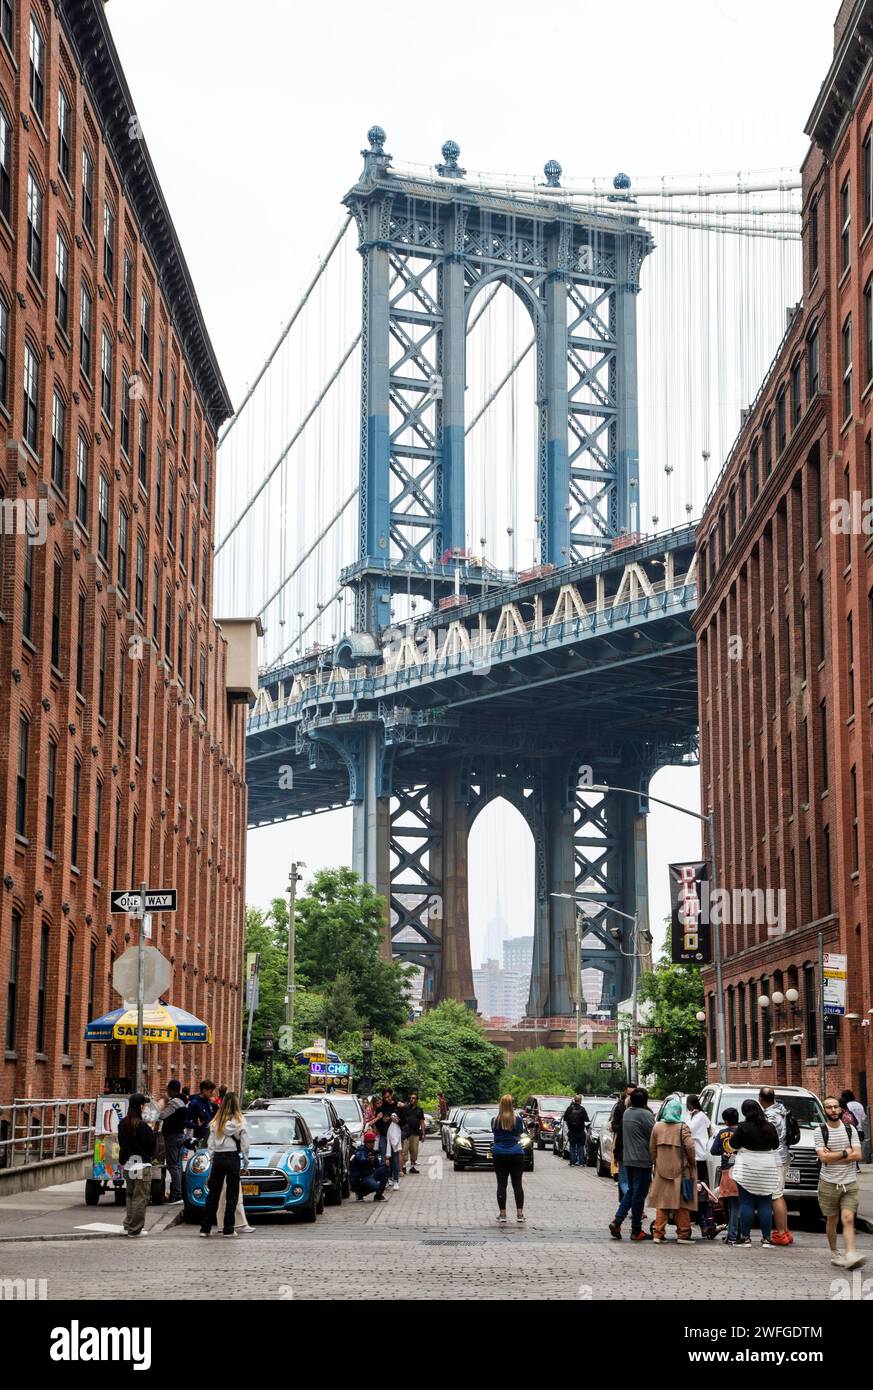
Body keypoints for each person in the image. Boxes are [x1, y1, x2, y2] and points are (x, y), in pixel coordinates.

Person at [817, 1095, 867, 1270]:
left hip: (849, 1182)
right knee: (832, 1219)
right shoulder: (820, 1131)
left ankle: (851, 1253)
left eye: (835, 1107)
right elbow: (823, 1157)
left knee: (848, 1218)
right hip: (828, 1182)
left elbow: (858, 1155)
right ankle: (834, 1252)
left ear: (840, 1109)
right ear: (825, 1111)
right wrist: (845, 1154)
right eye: (829, 1107)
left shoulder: (850, 1129)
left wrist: (833, 1155)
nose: (833, 1110)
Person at [730, 1099, 779, 1248]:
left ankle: (745, 1238)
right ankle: (766, 1239)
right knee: (765, 1203)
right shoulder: (769, 1127)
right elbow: (776, 1145)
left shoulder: (743, 1127)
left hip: (747, 1167)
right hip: (767, 1168)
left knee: (746, 1202)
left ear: (745, 1112)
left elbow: (733, 1144)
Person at [199, 1091, 249, 1237]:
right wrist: (245, 1164)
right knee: (232, 1195)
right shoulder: (240, 1122)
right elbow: (245, 1146)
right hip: (233, 1158)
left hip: (219, 1159)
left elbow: (210, 1146)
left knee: (213, 1194)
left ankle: (205, 1228)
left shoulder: (216, 1122)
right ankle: (228, 1228)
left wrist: (213, 1160)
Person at [648, 1097, 698, 1243]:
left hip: (661, 1171)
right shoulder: (683, 1128)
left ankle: (658, 1234)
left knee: (662, 1203)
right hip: (681, 1171)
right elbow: (690, 1147)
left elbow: (651, 1149)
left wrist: (656, 1163)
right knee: (682, 1203)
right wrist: (692, 1162)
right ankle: (683, 1234)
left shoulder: (657, 1127)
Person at [608, 1088, 654, 1241]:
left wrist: (616, 1153)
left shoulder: (627, 1113)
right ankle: (636, 1230)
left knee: (631, 1192)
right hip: (642, 1160)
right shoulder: (646, 1115)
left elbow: (620, 1134)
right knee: (639, 1195)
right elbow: (654, 1135)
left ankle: (617, 1220)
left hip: (628, 1159)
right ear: (645, 1101)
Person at [117, 1093, 156, 1237]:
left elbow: (122, 1144)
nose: (145, 1107)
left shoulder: (123, 1123)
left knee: (130, 1196)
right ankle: (135, 1228)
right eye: (144, 1105)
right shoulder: (142, 1126)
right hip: (141, 1166)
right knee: (141, 1197)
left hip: (128, 1165)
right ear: (140, 1106)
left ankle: (128, 1225)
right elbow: (151, 1146)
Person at [758, 1086, 792, 1246]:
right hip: (783, 1155)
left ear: (760, 1099)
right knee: (779, 1194)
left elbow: (766, 1136)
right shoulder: (781, 1111)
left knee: (775, 1195)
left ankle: (780, 1233)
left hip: (775, 1158)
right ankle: (784, 1230)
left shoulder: (770, 1115)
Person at [491, 1095, 526, 1225]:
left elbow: (495, 1134)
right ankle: (520, 1213)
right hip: (516, 1153)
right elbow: (520, 1133)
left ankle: (503, 1213)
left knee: (501, 1184)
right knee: (517, 1184)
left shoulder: (495, 1120)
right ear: (512, 1105)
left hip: (499, 1153)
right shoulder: (517, 1120)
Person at [710, 1106, 740, 1244]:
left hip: (726, 1172)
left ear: (726, 1121)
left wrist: (724, 1152)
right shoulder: (741, 1132)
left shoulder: (722, 1133)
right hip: (740, 1171)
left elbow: (713, 1150)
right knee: (738, 1205)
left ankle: (732, 1234)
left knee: (731, 1205)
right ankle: (736, 1233)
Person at [158, 1079, 188, 1204]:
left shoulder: (174, 1102)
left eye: (167, 1090)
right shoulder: (182, 1101)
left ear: (171, 1089)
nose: (167, 1092)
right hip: (179, 1135)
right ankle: (178, 1192)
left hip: (173, 1137)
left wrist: (162, 1103)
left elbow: (163, 1115)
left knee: (173, 1166)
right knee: (177, 1165)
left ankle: (176, 1194)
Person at [349, 1129, 389, 1201]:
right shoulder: (361, 1150)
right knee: (376, 1186)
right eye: (369, 1142)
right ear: (365, 1143)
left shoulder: (373, 1152)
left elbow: (377, 1165)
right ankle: (359, 1193)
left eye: (372, 1142)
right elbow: (361, 1160)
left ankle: (378, 1196)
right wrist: (368, 1159)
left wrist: (384, 1164)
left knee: (385, 1169)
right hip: (361, 1178)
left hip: (369, 1175)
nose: (371, 1144)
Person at [402, 1091, 426, 1174]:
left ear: (417, 1100)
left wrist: (423, 1134)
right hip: (406, 1133)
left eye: (413, 1098)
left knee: (414, 1151)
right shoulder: (406, 1108)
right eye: (410, 1098)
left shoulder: (420, 1110)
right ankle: (403, 1167)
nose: (411, 1099)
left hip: (415, 1133)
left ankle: (412, 1167)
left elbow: (422, 1122)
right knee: (404, 1150)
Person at [563, 1095, 590, 1167]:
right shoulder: (582, 1109)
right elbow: (587, 1120)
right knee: (580, 1147)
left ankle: (572, 1162)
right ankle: (581, 1162)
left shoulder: (569, 1108)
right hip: (580, 1131)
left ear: (574, 1100)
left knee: (572, 1147)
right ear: (580, 1101)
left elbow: (565, 1118)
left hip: (572, 1131)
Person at [188, 1079, 217, 1143]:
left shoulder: (209, 1102)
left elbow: (211, 1118)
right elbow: (186, 1120)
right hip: (200, 1138)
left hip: (210, 1136)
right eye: (211, 1092)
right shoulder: (194, 1103)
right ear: (204, 1091)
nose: (212, 1094)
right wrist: (196, 1125)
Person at [386, 1112, 403, 1189]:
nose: (393, 1117)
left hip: (395, 1148)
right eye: (392, 1116)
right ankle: (389, 1178)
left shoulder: (398, 1126)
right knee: (388, 1163)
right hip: (388, 1146)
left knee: (395, 1163)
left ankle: (396, 1180)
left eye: (395, 1116)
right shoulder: (388, 1125)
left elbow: (398, 1135)